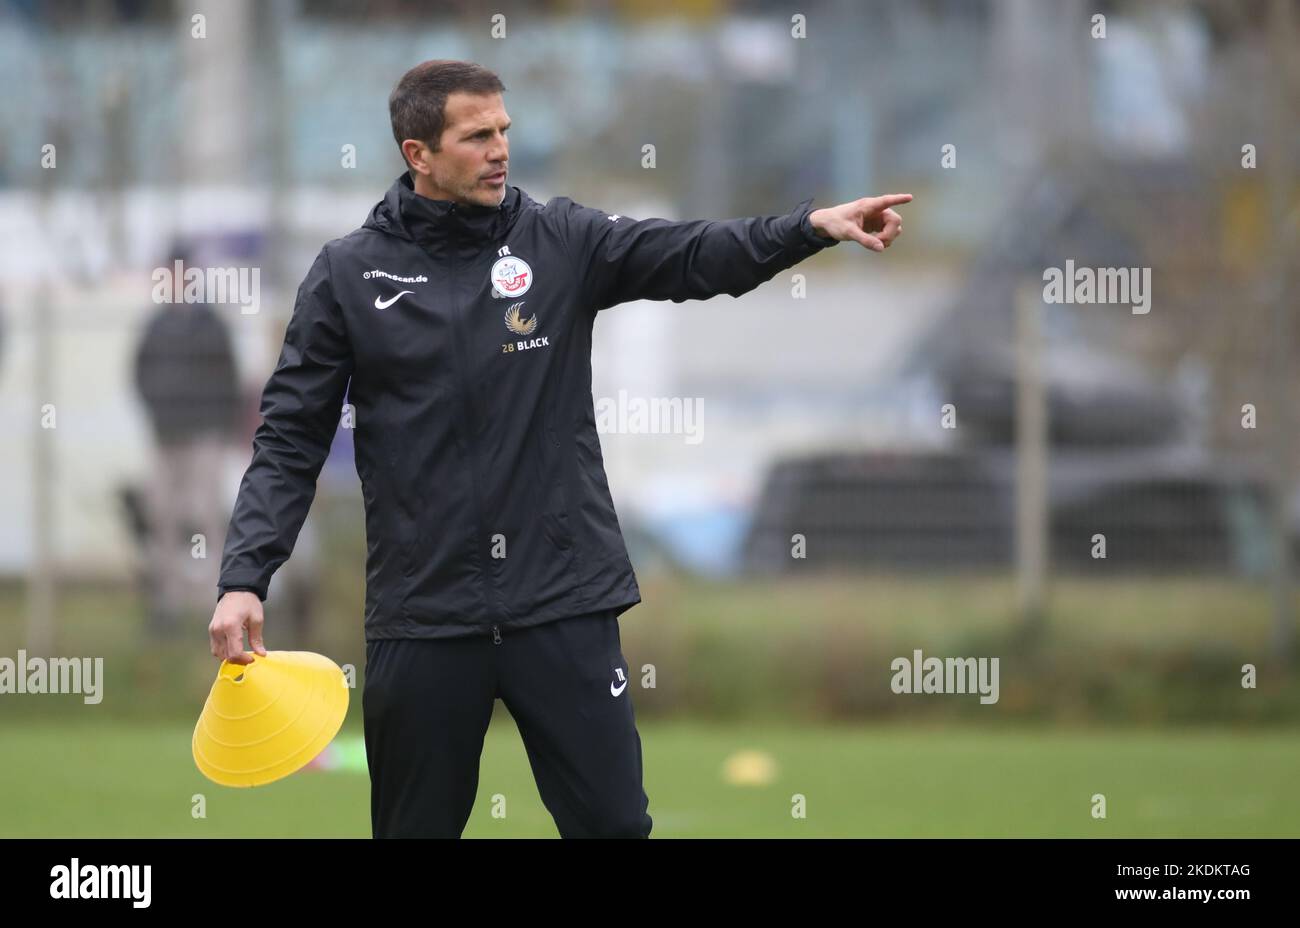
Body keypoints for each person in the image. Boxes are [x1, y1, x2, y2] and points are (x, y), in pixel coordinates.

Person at [210, 59, 910, 838]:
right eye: (477, 136)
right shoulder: (346, 275)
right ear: (419, 155)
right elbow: (288, 439)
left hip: (561, 601)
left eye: (505, 130)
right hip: (424, 613)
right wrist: (245, 575)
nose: (501, 149)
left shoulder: (561, 240)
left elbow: (691, 255)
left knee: (614, 828)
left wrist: (807, 228)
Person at [135, 247, 240, 634]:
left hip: (204, 437)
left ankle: (210, 600)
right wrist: (158, 411)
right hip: (165, 437)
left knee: (204, 515)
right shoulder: (156, 324)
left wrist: (219, 426)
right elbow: (139, 372)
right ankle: (169, 600)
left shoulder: (211, 324)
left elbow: (230, 377)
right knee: (162, 514)